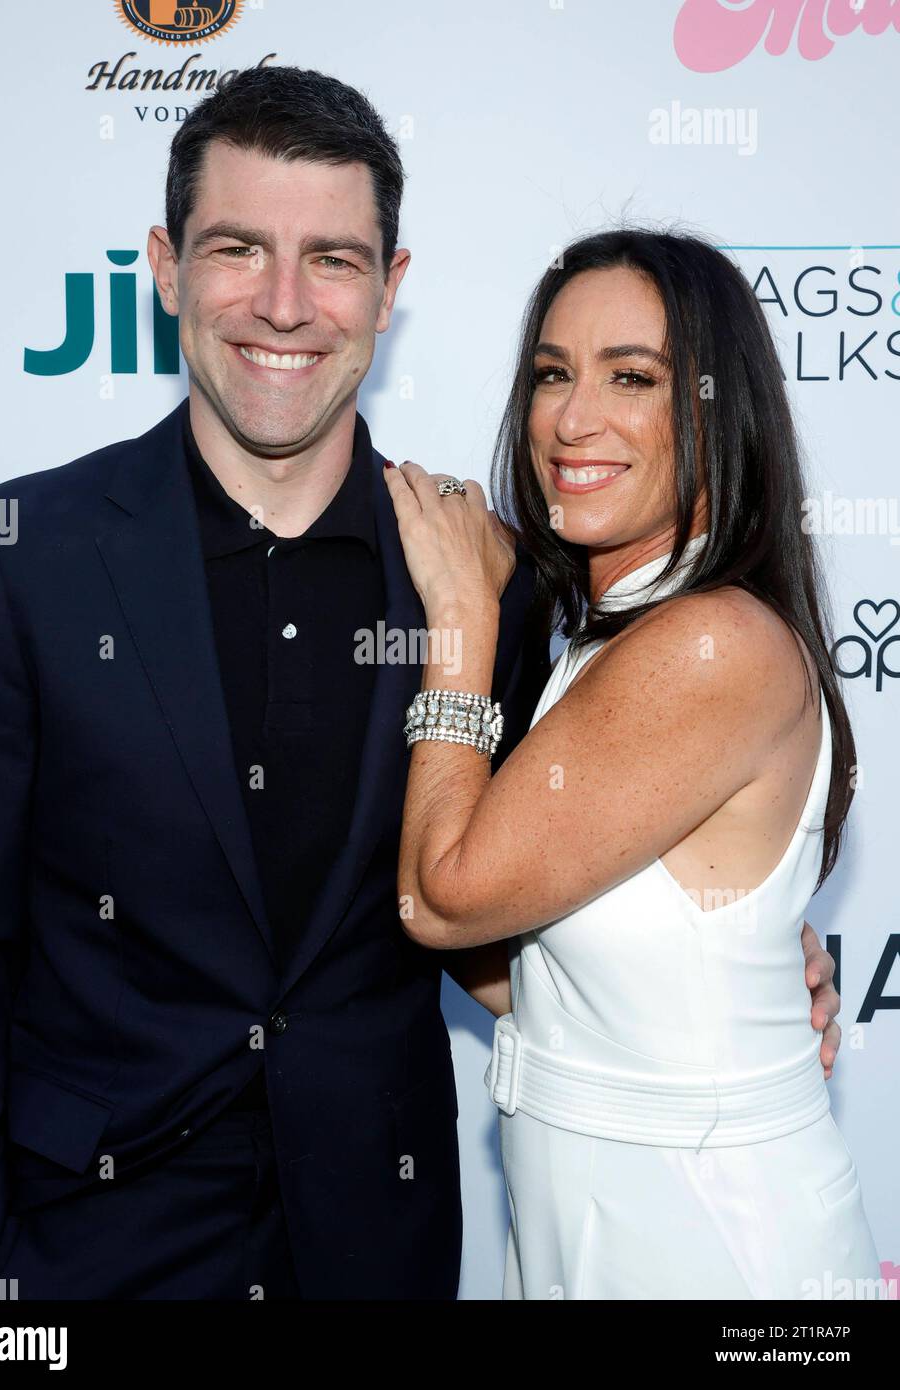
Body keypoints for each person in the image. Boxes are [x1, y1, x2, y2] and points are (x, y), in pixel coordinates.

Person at [0, 66, 839, 1300]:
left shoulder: (496, 583)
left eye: (336, 260)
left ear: (391, 289)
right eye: (239, 248)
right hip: (79, 1255)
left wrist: (731, 977)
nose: (285, 305)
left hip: (379, 1248)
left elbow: (533, 879)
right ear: (165, 268)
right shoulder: (16, 557)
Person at [383, 228, 879, 1299]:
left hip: (707, 1241)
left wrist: (462, 621)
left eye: (633, 378)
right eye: (553, 373)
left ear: (714, 408)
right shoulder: (614, 633)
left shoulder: (710, 645)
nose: (572, 417)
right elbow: (556, 978)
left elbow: (442, 897)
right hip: (592, 1216)